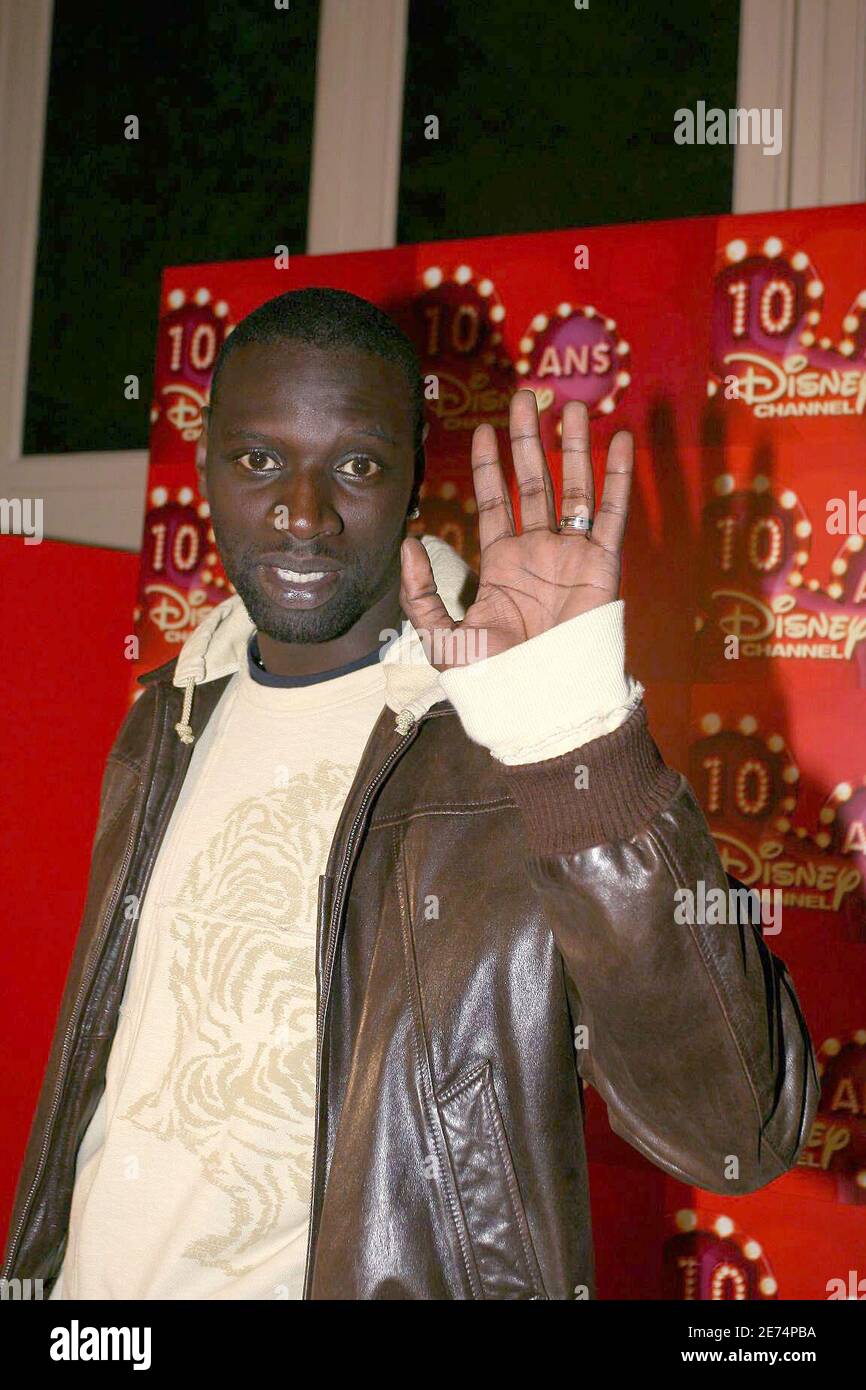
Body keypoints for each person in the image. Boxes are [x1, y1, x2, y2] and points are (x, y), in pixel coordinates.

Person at [3, 287, 818, 1301]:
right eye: (257, 461)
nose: (303, 516)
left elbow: (737, 1132)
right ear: (205, 460)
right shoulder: (166, 717)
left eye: (355, 464)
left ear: (415, 470)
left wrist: (572, 736)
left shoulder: (509, 738)